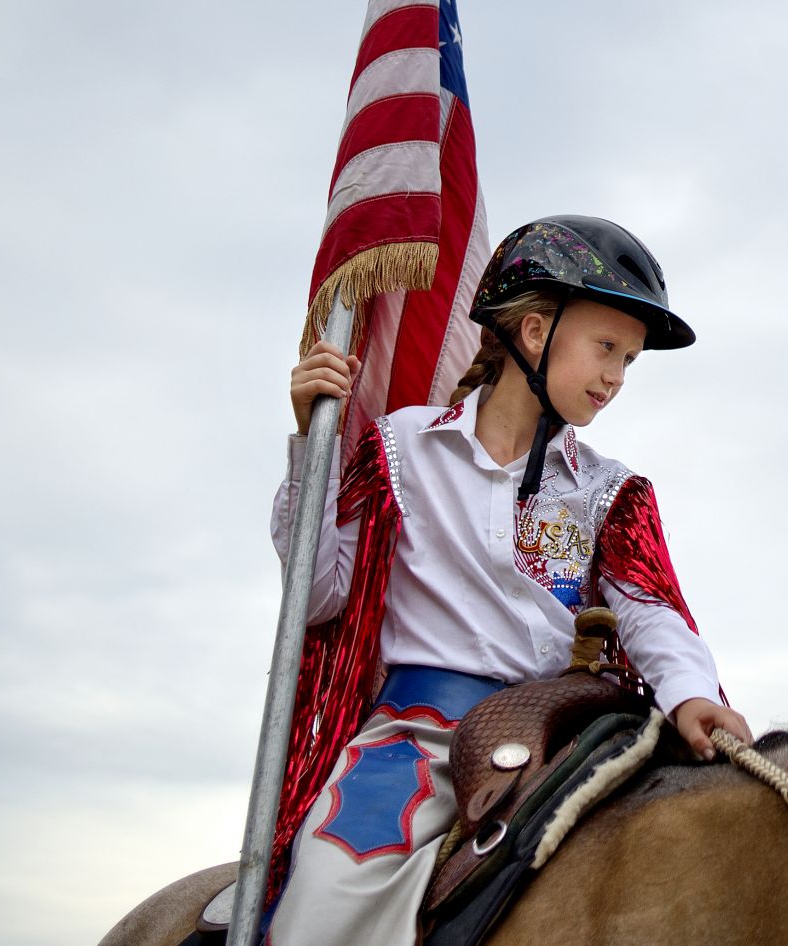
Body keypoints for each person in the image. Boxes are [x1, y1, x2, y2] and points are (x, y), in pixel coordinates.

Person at [265, 216, 750, 945]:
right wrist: (315, 447)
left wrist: (690, 696)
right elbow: (322, 597)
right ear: (532, 334)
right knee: (329, 896)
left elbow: (650, 614)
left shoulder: (610, 491)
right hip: (415, 743)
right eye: (607, 348)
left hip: (558, 734)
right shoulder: (402, 446)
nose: (617, 378)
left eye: (631, 360)